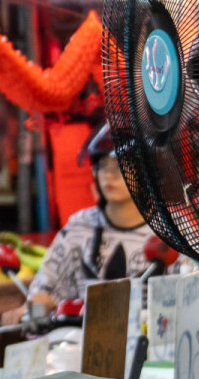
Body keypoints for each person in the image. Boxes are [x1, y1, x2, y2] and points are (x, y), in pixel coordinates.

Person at [27, 125, 156, 312]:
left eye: (119, 166)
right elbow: (44, 290)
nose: (108, 175)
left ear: (144, 171)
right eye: (102, 165)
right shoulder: (79, 227)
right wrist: (30, 311)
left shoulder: (171, 232)